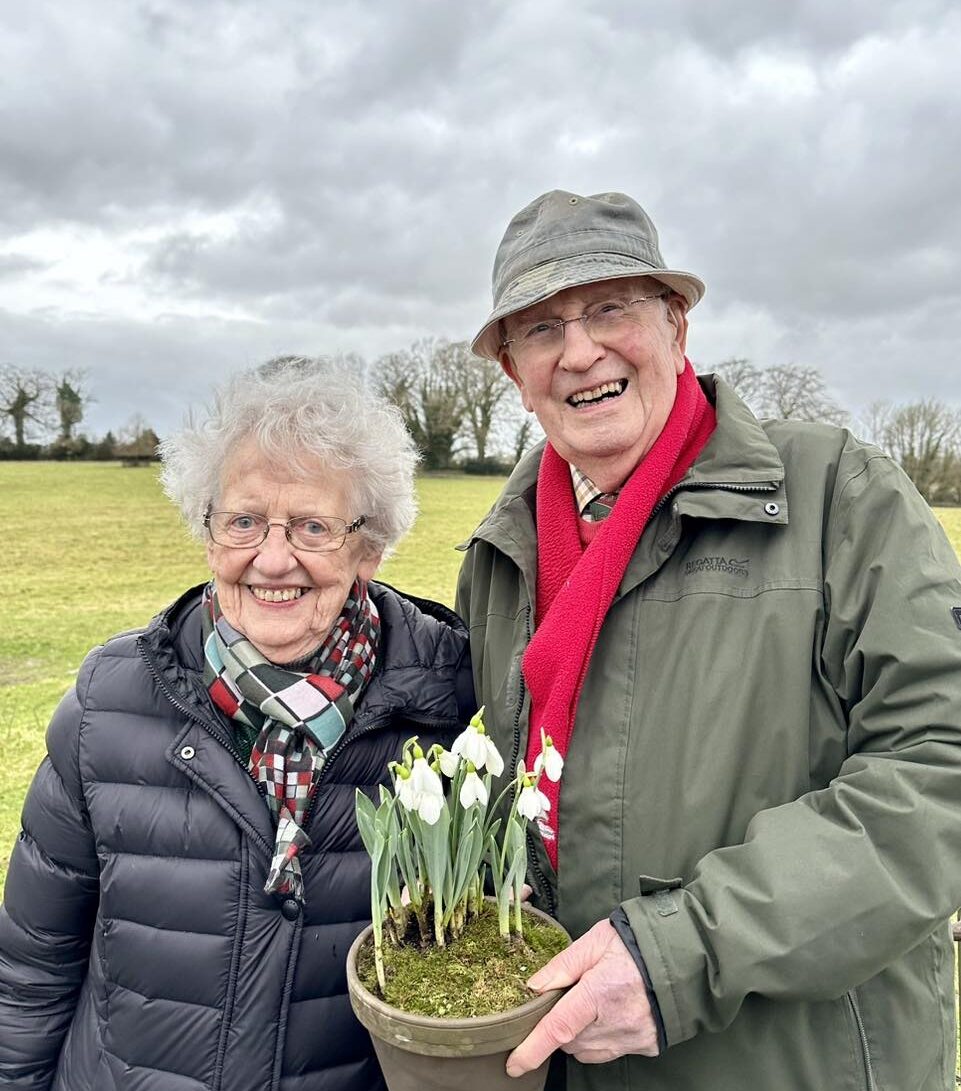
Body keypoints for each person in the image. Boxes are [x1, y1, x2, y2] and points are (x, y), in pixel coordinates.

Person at [456, 190, 961, 1090]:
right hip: (570, 1057)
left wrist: (680, 955)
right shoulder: (503, 551)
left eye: (610, 307)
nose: (580, 351)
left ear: (676, 324)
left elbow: (939, 768)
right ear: (511, 370)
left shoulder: (837, 496)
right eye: (538, 329)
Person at [0, 357, 474, 1091]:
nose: (272, 558)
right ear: (209, 532)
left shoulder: (446, 712)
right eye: (244, 520)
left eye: (313, 526)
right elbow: (31, 964)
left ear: (368, 549)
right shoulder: (110, 702)